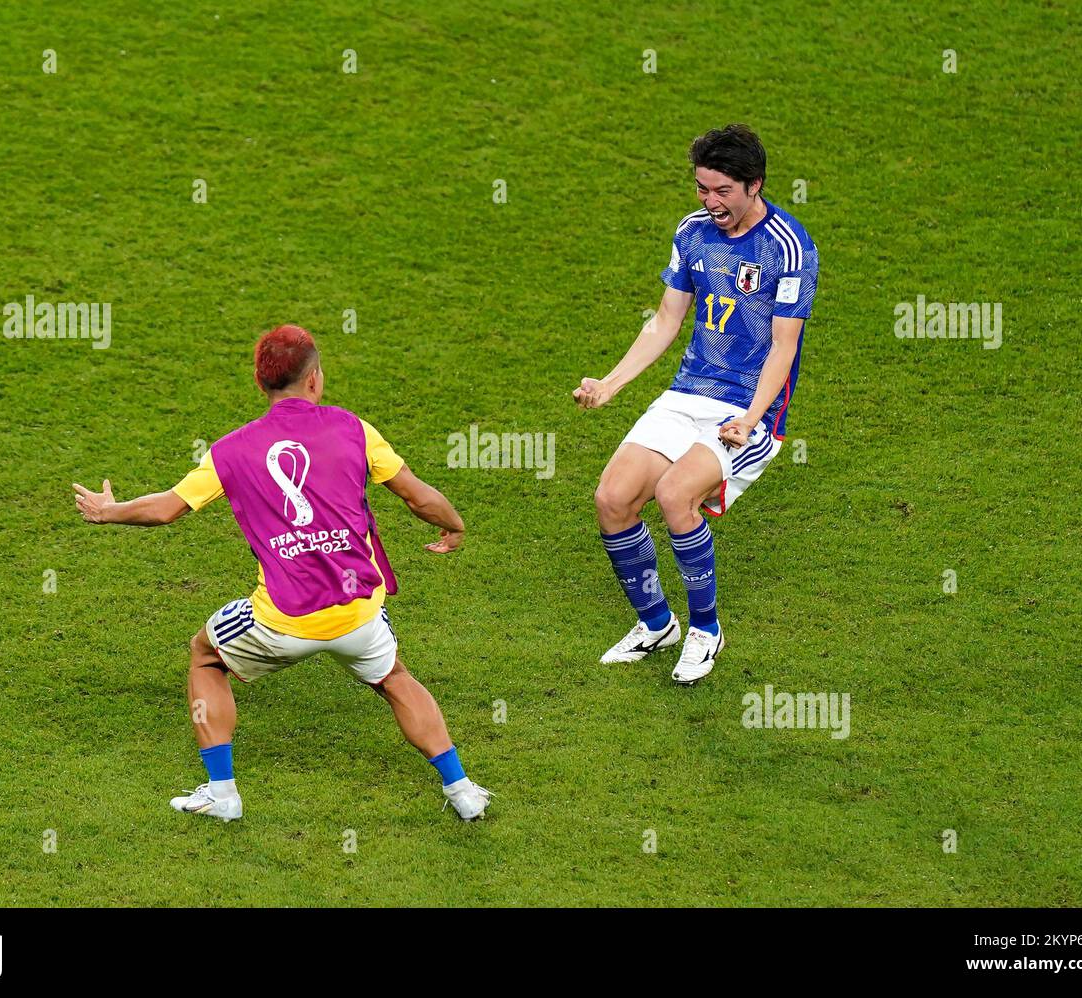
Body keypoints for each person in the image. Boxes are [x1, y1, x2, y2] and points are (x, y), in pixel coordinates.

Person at [73, 324, 491, 821]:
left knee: (205, 656)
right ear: (314, 379)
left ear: (259, 381)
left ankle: (222, 793)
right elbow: (416, 494)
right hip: (358, 610)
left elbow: (166, 509)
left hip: (283, 621)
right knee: (394, 677)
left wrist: (108, 511)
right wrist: (454, 526)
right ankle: (461, 788)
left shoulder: (230, 450)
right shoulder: (353, 429)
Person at [574, 124, 820, 684]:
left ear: (753, 185)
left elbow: (784, 345)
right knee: (612, 498)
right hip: (688, 392)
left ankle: (705, 630)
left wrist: (753, 418)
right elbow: (666, 319)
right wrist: (610, 384)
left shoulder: (788, 246)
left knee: (674, 495)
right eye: (701, 189)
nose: (710, 203)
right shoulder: (692, 233)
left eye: (722, 192)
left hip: (747, 405)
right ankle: (656, 624)